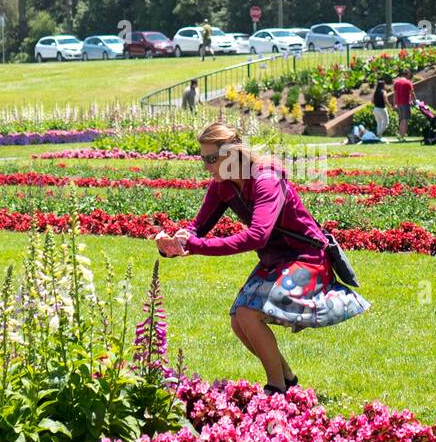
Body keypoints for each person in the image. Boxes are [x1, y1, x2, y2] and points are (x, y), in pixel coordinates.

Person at [153, 122, 369, 394]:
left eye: (211, 159)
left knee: (248, 313)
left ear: (232, 155)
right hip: (276, 260)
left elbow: (258, 236)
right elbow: (198, 227)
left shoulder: (266, 179)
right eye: (203, 158)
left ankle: (275, 390)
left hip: (308, 257)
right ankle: (288, 380)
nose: (206, 166)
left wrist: (197, 246)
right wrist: (175, 243)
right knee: (238, 320)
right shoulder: (223, 185)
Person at [391, 70, 414, 140]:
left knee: (401, 119)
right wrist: (415, 100)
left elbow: (394, 94)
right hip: (406, 103)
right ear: (407, 75)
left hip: (399, 104)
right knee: (405, 120)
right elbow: (412, 93)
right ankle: (403, 135)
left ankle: (401, 134)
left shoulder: (396, 82)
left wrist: (394, 104)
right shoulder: (408, 82)